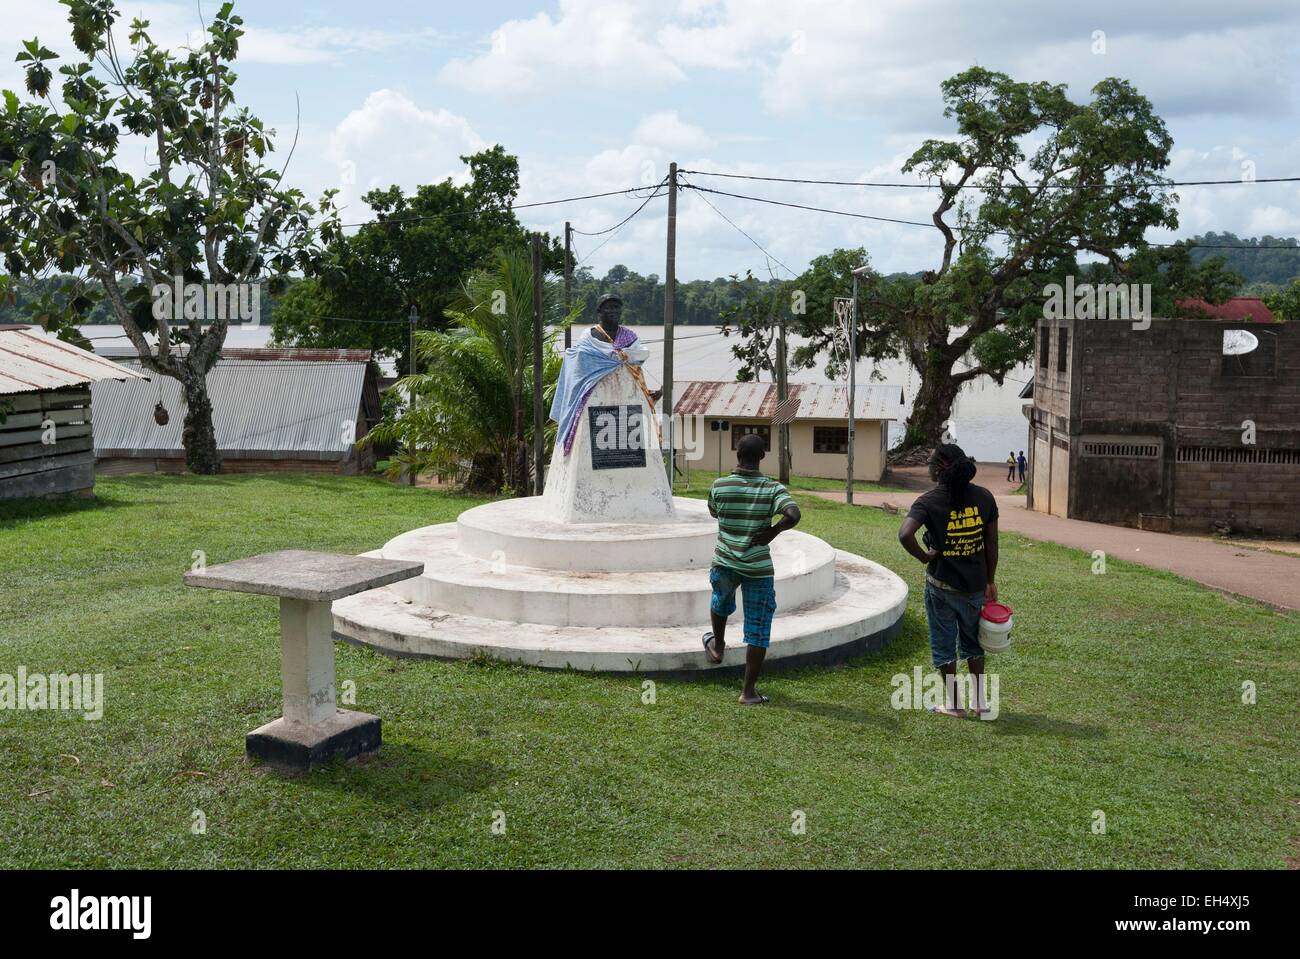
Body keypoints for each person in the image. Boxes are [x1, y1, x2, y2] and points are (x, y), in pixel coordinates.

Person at [897, 444, 999, 718]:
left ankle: (954, 706)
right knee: (973, 644)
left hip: (941, 587)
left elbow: (905, 534)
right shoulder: (985, 498)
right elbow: (991, 544)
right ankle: (980, 704)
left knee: (944, 645)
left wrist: (924, 556)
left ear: (941, 467)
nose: (927, 467)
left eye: (930, 462)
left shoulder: (928, 501)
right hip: (976, 586)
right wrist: (990, 580)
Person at [702, 433, 800, 704]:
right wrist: (773, 531)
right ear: (762, 457)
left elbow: (714, 512)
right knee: (758, 625)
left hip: (724, 561)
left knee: (720, 600)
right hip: (758, 566)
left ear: (737, 454)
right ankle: (748, 692)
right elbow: (794, 514)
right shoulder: (772, 489)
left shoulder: (719, 485)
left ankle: (718, 645)